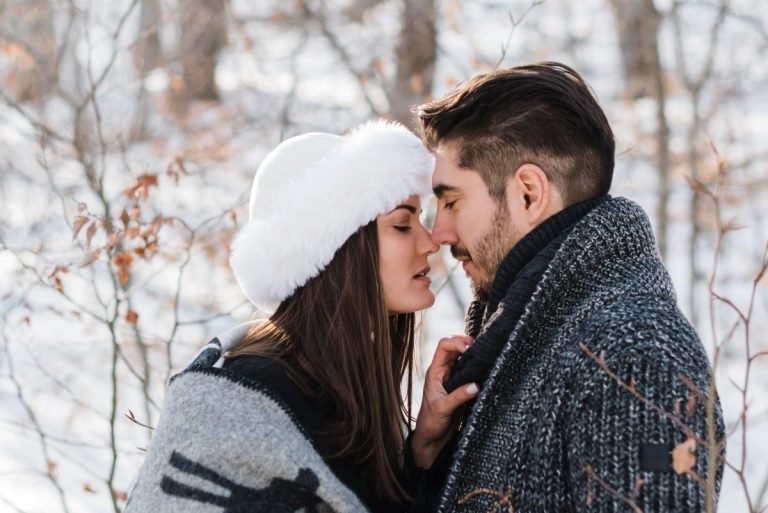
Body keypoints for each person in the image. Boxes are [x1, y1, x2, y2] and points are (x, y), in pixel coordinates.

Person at [407, 62, 724, 512]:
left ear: (529, 194)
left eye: (452, 201)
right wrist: (428, 455)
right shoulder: (538, 334)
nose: (438, 234)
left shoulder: (633, 353)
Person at [124, 119, 476, 513]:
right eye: (401, 224)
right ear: (335, 252)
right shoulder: (243, 397)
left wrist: (421, 452)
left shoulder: (343, 393)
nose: (430, 243)